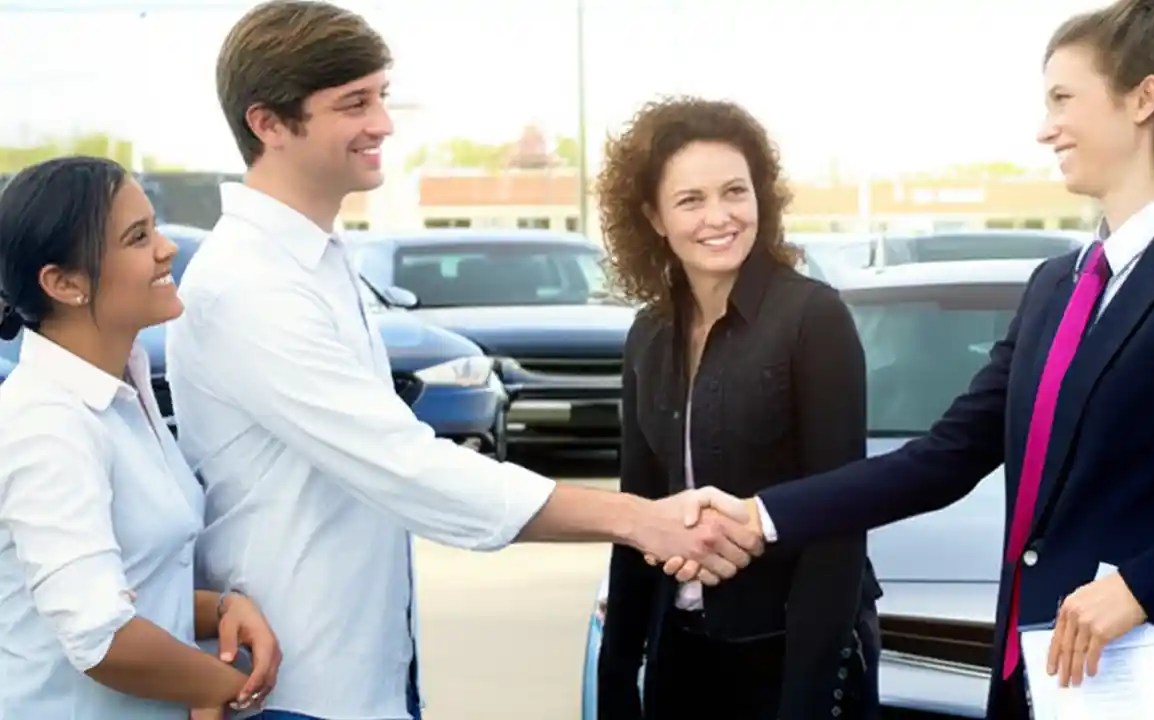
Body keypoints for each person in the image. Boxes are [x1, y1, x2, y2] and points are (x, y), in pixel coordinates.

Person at [661, 1, 1154, 718]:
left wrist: (1142, 587)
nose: (1046, 128)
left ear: (1143, 98)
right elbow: (946, 457)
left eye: (1062, 98)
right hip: (1038, 681)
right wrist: (759, 516)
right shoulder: (1056, 287)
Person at [164, 3, 760, 719]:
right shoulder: (248, 284)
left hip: (361, 668)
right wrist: (639, 519)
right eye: (354, 103)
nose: (383, 123)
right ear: (268, 124)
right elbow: (407, 468)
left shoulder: (313, 260)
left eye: (381, 96)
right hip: (295, 685)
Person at [594, 97, 881, 720]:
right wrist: (615, 675)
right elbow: (636, 512)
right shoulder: (648, 334)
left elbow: (841, 518)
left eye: (734, 192)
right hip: (680, 651)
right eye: (690, 200)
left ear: (761, 198)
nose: (719, 217)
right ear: (654, 216)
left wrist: (805, 701)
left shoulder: (813, 318)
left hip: (790, 652)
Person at [0, 156, 282, 719]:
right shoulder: (47, 423)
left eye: (154, 228)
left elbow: (135, 580)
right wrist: (217, 686)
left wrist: (220, 608)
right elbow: (98, 635)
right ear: (64, 283)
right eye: (138, 238)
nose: (166, 248)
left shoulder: (123, 389)